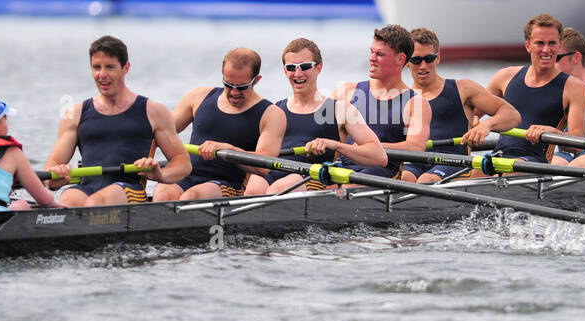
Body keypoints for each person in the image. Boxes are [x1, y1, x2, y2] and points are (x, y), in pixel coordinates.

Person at [45, 35, 190, 205]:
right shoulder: (75, 114)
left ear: (125, 67)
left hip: (129, 189)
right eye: (96, 67)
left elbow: (183, 163)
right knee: (68, 200)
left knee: (96, 202)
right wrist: (53, 180)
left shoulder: (154, 112)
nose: (102, 75)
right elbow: (51, 167)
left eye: (110, 67)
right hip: (88, 187)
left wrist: (160, 175)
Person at [154, 47, 285, 201]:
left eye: (241, 87)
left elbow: (263, 166)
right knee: (163, 194)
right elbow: (157, 132)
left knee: (190, 197)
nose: (234, 92)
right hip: (186, 173)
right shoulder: (198, 96)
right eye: (228, 84)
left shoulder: (272, 114)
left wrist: (229, 150)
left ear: (256, 80)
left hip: (227, 184)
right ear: (222, 74)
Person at [266, 38, 387, 195]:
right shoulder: (274, 109)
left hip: (312, 177)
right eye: (291, 67)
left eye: (305, 67)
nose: (297, 73)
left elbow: (379, 156)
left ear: (319, 67)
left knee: (278, 189)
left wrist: (335, 145)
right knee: (254, 187)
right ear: (284, 70)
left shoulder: (341, 110)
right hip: (273, 171)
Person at [405, 27, 520, 183]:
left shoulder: (463, 88)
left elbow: (512, 115)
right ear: (407, 62)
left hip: (454, 163)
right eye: (416, 60)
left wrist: (486, 125)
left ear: (438, 58)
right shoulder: (402, 98)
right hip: (416, 163)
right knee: (403, 178)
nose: (423, 66)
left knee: (426, 180)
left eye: (429, 59)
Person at [484, 14, 585, 167]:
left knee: (496, 169)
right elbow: (473, 114)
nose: (546, 50)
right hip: (498, 158)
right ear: (528, 46)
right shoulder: (505, 77)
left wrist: (553, 132)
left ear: (559, 46)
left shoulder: (574, 87)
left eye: (552, 43)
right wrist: (477, 124)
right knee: (471, 172)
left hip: (537, 163)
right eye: (540, 43)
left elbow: (577, 144)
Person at [333, 24, 432, 181]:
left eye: (379, 54)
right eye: (371, 52)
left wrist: (371, 148)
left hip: (382, 174)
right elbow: (329, 136)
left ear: (400, 59)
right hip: (342, 168)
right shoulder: (347, 92)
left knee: (346, 186)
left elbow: (416, 148)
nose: (372, 58)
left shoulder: (416, 104)